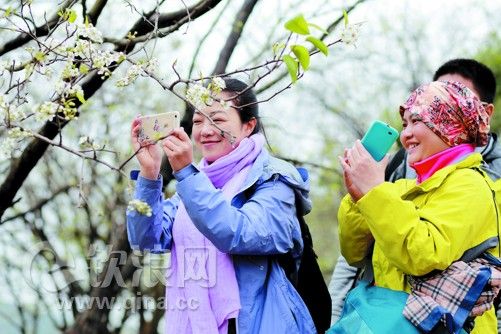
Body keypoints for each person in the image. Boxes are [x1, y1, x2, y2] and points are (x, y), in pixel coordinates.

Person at [126, 77, 316, 334]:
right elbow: (145, 239)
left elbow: (240, 233)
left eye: (218, 119)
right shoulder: (193, 187)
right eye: (198, 121)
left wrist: (185, 172)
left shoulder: (274, 180)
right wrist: (149, 175)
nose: (205, 130)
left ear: (248, 126)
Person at [329, 58, 501, 325]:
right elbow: (353, 252)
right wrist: (358, 197)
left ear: (449, 124)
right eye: (405, 123)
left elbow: (424, 255)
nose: (404, 134)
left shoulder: (471, 184)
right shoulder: (402, 187)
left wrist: (374, 191)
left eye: (417, 120)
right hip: (391, 325)